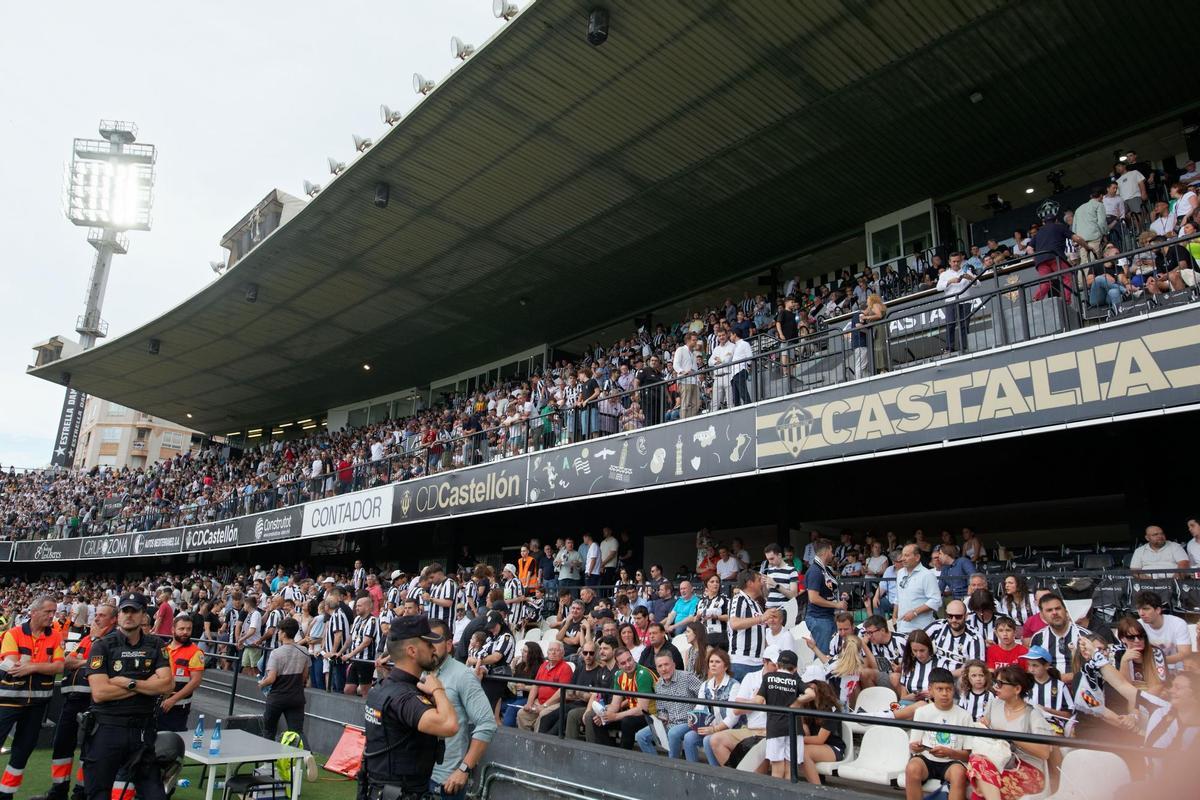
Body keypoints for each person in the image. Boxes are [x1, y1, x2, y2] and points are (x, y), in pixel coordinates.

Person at [81, 593, 173, 800]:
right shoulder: (102, 645)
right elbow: (100, 693)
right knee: (98, 794)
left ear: (143, 615)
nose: (129, 615)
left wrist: (129, 683)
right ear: (119, 615)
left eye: (134, 611)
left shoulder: (156, 645)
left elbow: (167, 685)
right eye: (125, 610)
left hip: (142, 730)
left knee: (155, 795)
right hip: (107, 728)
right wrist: (147, 683)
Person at [361, 616, 458, 800]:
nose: (434, 649)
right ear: (412, 651)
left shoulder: (382, 688)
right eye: (428, 644)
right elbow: (450, 726)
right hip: (400, 793)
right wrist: (438, 689)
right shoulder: (405, 696)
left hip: (380, 790)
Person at [32, 602, 115, 800]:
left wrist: (83, 660)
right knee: (62, 743)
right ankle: (58, 791)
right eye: (97, 614)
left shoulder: (113, 640)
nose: (96, 618)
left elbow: (103, 664)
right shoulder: (87, 638)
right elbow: (67, 661)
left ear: (113, 620)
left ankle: (81, 793)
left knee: (88, 749)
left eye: (102, 615)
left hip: (94, 702)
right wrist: (86, 660)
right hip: (71, 699)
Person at [2, 596, 65, 799]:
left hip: (37, 704)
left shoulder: (55, 635)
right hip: (8, 701)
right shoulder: (13, 633)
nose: (52, 615)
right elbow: (13, 666)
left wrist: (31, 666)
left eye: (53, 612)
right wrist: (45, 666)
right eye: (48, 611)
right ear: (34, 612)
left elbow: (59, 666)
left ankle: (6, 794)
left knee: (23, 750)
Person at [426, 618, 494, 800]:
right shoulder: (420, 671)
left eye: (434, 641)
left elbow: (487, 724)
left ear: (449, 645)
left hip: (445, 781)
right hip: (416, 773)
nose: (429, 647)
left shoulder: (463, 676)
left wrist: (464, 768)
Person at [967, 666, 1057, 800]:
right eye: (995, 682)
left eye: (1000, 684)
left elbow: (1044, 752)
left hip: (1028, 769)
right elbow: (987, 729)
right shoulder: (994, 704)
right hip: (998, 762)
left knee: (982, 784)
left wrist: (1010, 736)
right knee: (978, 766)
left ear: (1017, 689)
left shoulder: (1033, 715)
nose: (996, 687)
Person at [904, 667, 972, 800]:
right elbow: (913, 746)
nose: (945, 693)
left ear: (954, 690)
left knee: (959, 773)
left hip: (953, 761)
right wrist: (916, 747)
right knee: (912, 768)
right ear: (930, 690)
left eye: (948, 689)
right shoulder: (922, 712)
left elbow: (967, 755)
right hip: (926, 759)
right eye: (939, 689)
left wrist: (950, 753)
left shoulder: (964, 716)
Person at [752, 649, 813, 780]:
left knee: (777, 770)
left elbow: (758, 701)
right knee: (791, 770)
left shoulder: (768, 678)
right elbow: (811, 694)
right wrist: (797, 701)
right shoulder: (796, 679)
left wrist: (756, 696)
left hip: (775, 726)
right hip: (794, 728)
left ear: (777, 664)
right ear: (795, 668)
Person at [634, 651, 701, 759]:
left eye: (666, 664)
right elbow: (661, 709)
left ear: (673, 665)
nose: (664, 669)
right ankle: (658, 765)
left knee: (673, 733)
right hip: (669, 723)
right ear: (657, 669)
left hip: (688, 722)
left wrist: (696, 715)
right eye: (660, 666)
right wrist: (661, 719)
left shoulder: (687, 677)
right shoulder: (658, 685)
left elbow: (704, 695)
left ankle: (672, 764)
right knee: (641, 736)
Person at [587, 647, 655, 749]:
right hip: (634, 713)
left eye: (629, 660)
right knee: (597, 720)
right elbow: (615, 705)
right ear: (618, 665)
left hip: (652, 716)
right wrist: (603, 715)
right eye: (623, 663)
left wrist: (615, 716)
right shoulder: (619, 675)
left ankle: (624, 755)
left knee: (627, 721)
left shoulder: (643, 674)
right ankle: (609, 752)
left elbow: (642, 709)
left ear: (633, 658)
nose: (628, 664)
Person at [259, 616, 310, 740]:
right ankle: (304, 752)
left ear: (284, 633)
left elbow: (271, 678)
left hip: (277, 697)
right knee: (297, 733)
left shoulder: (276, 653)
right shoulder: (304, 651)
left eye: (279, 631)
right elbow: (304, 676)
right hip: (296, 697)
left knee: (269, 731)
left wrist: (261, 683)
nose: (278, 634)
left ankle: (267, 753)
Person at [1026, 593, 1087, 683]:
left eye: (1058, 608)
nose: (1054, 613)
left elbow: (1092, 667)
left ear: (1065, 610)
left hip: (1079, 685)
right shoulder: (1038, 637)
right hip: (1048, 686)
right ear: (1042, 614)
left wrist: (1066, 678)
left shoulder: (1083, 635)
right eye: (1049, 610)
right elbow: (1033, 667)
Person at [515, 640, 573, 732]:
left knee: (543, 714)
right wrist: (529, 703)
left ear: (562, 653)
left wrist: (545, 705)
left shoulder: (565, 668)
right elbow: (535, 686)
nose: (553, 652)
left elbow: (561, 692)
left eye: (556, 650)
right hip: (539, 702)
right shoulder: (543, 665)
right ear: (547, 652)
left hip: (555, 704)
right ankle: (526, 738)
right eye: (551, 650)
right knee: (522, 713)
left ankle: (537, 738)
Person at [159, 614, 204, 732]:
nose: (185, 632)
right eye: (182, 629)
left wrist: (173, 700)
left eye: (189, 629)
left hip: (178, 708)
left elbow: (195, 681)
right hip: (159, 704)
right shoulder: (164, 649)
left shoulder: (195, 652)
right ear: (173, 630)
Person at [803, 540, 845, 657]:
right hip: (819, 619)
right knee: (822, 656)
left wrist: (840, 597)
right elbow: (813, 598)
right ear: (826, 551)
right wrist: (836, 605)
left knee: (829, 654)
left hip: (826, 618)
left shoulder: (825, 569)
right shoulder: (815, 571)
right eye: (831, 551)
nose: (833, 554)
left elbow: (829, 590)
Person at [1133, 590, 1192, 670]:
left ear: (1158, 610)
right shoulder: (1137, 625)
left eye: (1146, 609)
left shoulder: (1178, 623)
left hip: (1176, 670)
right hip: (1149, 670)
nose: (1141, 613)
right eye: (1138, 609)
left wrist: (1157, 661)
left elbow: (1185, 653)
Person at [894, 544, 941, 634]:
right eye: (902, 555)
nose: (902, 558)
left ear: (917, 557)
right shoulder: (900, 573)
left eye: (906, 555)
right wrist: (894, 616)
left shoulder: (927, 575)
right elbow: (898, 597)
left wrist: (915, 612)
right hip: (901, 627)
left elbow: (936, 601)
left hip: (921, 629)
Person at [345, 596, 382, 697]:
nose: (356, 608)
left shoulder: (373, 620)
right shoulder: (357, 619)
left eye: (359, 606)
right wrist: (341, 652)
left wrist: (350, 655)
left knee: (364, 690)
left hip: (365, 660)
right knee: (348, 689)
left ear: (367, 607)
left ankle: (366, 706)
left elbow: (366, 642)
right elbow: (350, 638)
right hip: (355, 659)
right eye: (356, 606)